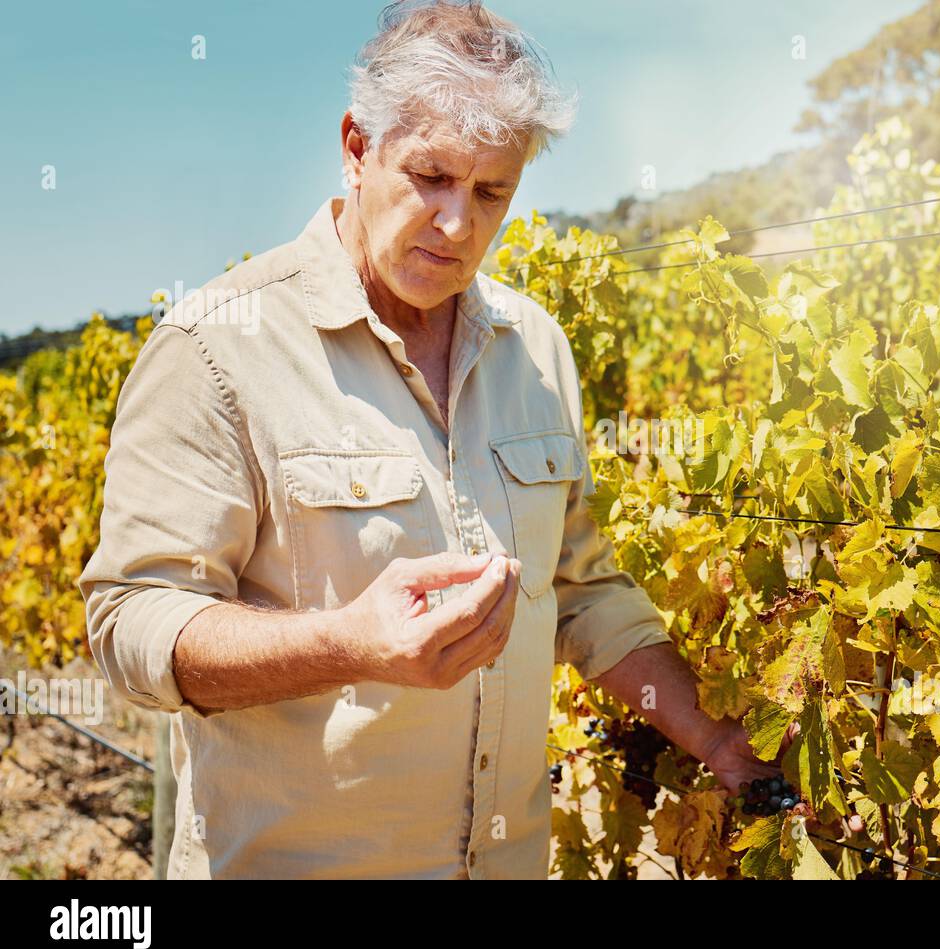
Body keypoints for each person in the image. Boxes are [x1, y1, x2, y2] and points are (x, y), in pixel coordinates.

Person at [79, 0, 772, 879]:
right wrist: (346, 643)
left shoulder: (536, 349)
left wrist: (717, 739)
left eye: (492, 192)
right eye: (432, 176)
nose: (458, 224)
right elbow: (132, 622)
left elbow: (582, 592)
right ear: (357, 147)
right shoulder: (216, 348)